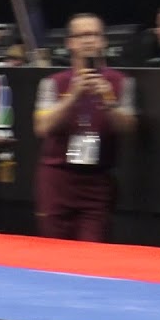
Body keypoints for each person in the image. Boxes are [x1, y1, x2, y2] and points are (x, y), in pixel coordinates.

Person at [33, 13, 137, 242]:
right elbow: (42, 127)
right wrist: (73, 96)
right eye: (81, 36)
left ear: (104, 41)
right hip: (58, 179)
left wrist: (109, 102)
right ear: (70, 43)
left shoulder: (121, 82)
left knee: (91, 253)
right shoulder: (53, 83)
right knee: (54, 252)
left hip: (97, 180)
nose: (88, 40)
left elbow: (128, 126)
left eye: (94, 35)